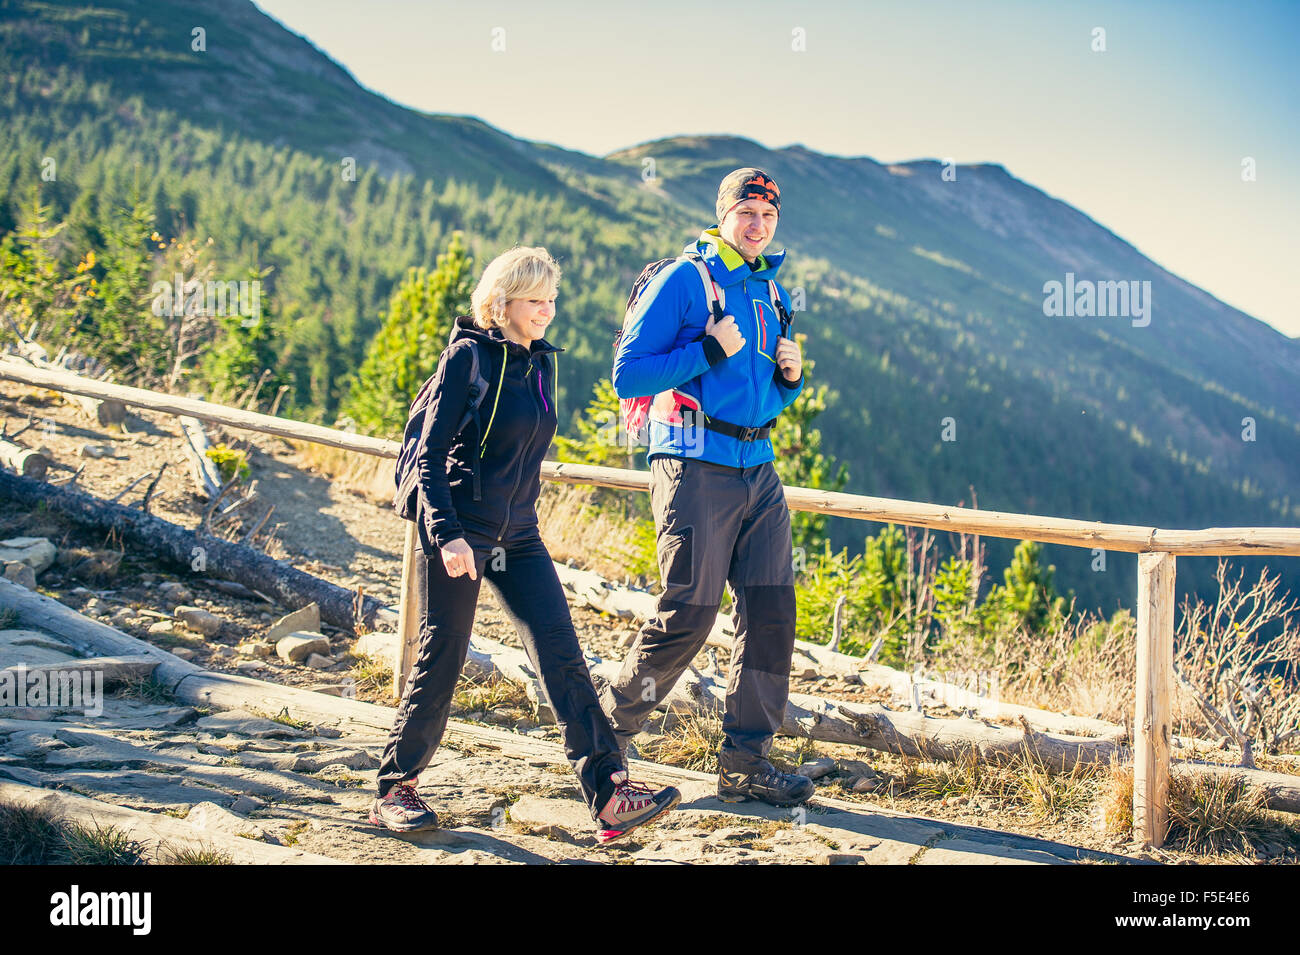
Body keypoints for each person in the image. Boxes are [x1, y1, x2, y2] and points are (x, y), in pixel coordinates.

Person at [372, 246, 680, 843]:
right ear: (501, 303)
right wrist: (448, 535)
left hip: (520, 532)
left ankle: (611, 795)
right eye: (536, 301)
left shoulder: (540, 364)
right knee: (444, 657)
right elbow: (429, 456)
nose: (548, 311)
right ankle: (394, 789)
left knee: (562, 655)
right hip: (461, 527)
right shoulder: (468, 358)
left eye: (552, 300)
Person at [600, 168, 815, 807]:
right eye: (746, 213)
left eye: (768, 217)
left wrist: (791, 380)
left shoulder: (771, 291)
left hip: (759, 467)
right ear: (723, 216)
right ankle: (606, 734)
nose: (757, 225)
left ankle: (747, 762)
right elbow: (627, 375)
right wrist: (709, 352)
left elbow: (762, 392)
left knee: (772, 613)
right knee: (689, 612)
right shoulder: (685, 279)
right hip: (693, 460)